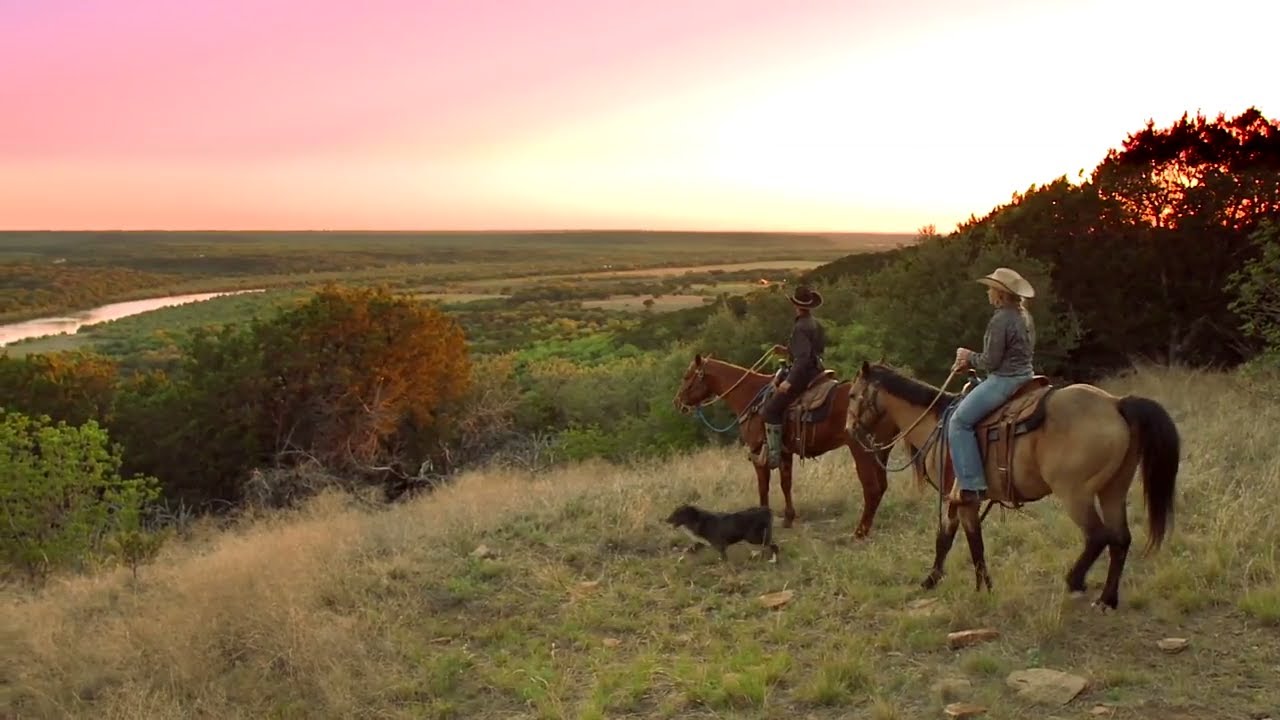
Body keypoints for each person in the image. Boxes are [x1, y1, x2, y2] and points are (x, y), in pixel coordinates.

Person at [948, 267, 1037, 505]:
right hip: (1028, 377)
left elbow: (991, 361)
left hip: (1005, 380)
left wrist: (967, 356)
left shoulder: (1001, 319)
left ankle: (972, 485)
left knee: (958, 422)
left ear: (1000, 293)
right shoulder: (1024, 316)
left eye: (990, 288)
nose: (988, 292)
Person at [760, 284, 826, 468]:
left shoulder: (800, 326)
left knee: (770, 410)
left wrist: (789, 381)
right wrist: (787, 350)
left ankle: (774, 456)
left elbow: (803, 359)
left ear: (795, 305)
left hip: (803, 374)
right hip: (817, 370)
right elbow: (814, 350)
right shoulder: (815, 324)